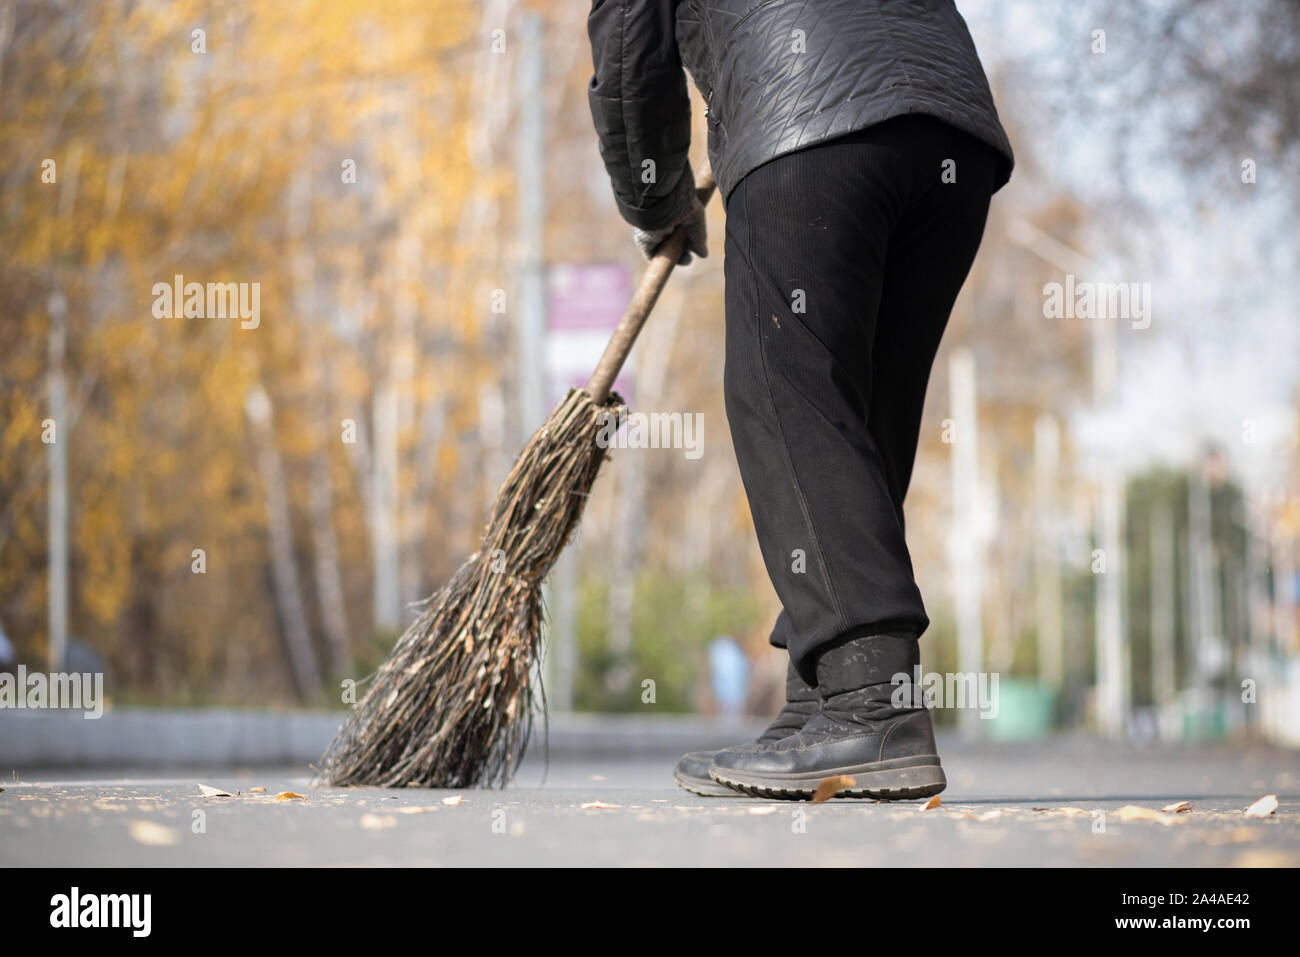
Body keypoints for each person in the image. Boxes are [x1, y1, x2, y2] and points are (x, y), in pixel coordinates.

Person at [587, 0, 1013, 798]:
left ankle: (870, 702)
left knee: (785, 395)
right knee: (861, 410)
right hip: (952, 135)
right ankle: (822, 697)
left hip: (812, 116)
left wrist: (656, 196)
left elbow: (628, 44)